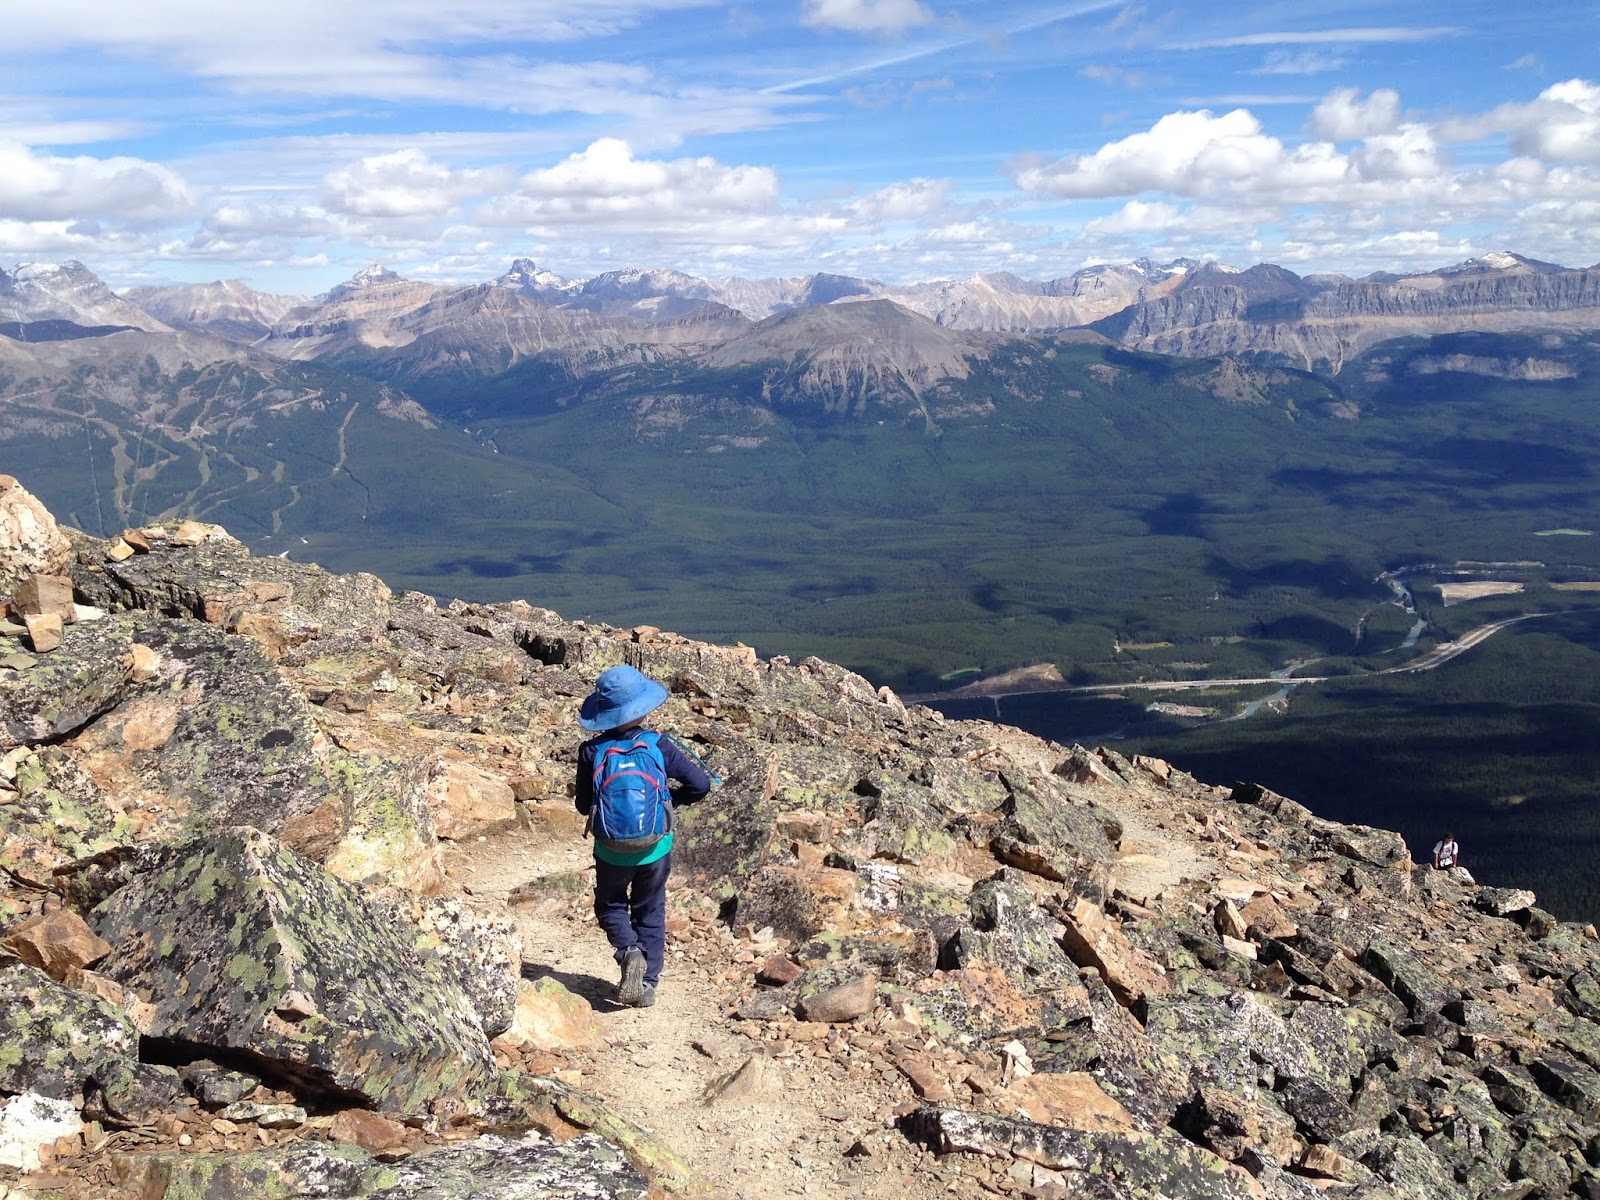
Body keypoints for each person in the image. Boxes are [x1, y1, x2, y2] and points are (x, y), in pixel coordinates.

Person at [575, 664, 711, 1008]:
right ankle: (648, 983)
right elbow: (701, 785)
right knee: (650, 909)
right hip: (655, 846)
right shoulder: (659, 744)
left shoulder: (591, 752)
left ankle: (628, 951)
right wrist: (668, 802)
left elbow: (582, 805)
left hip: (610, 850)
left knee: (610, 904)